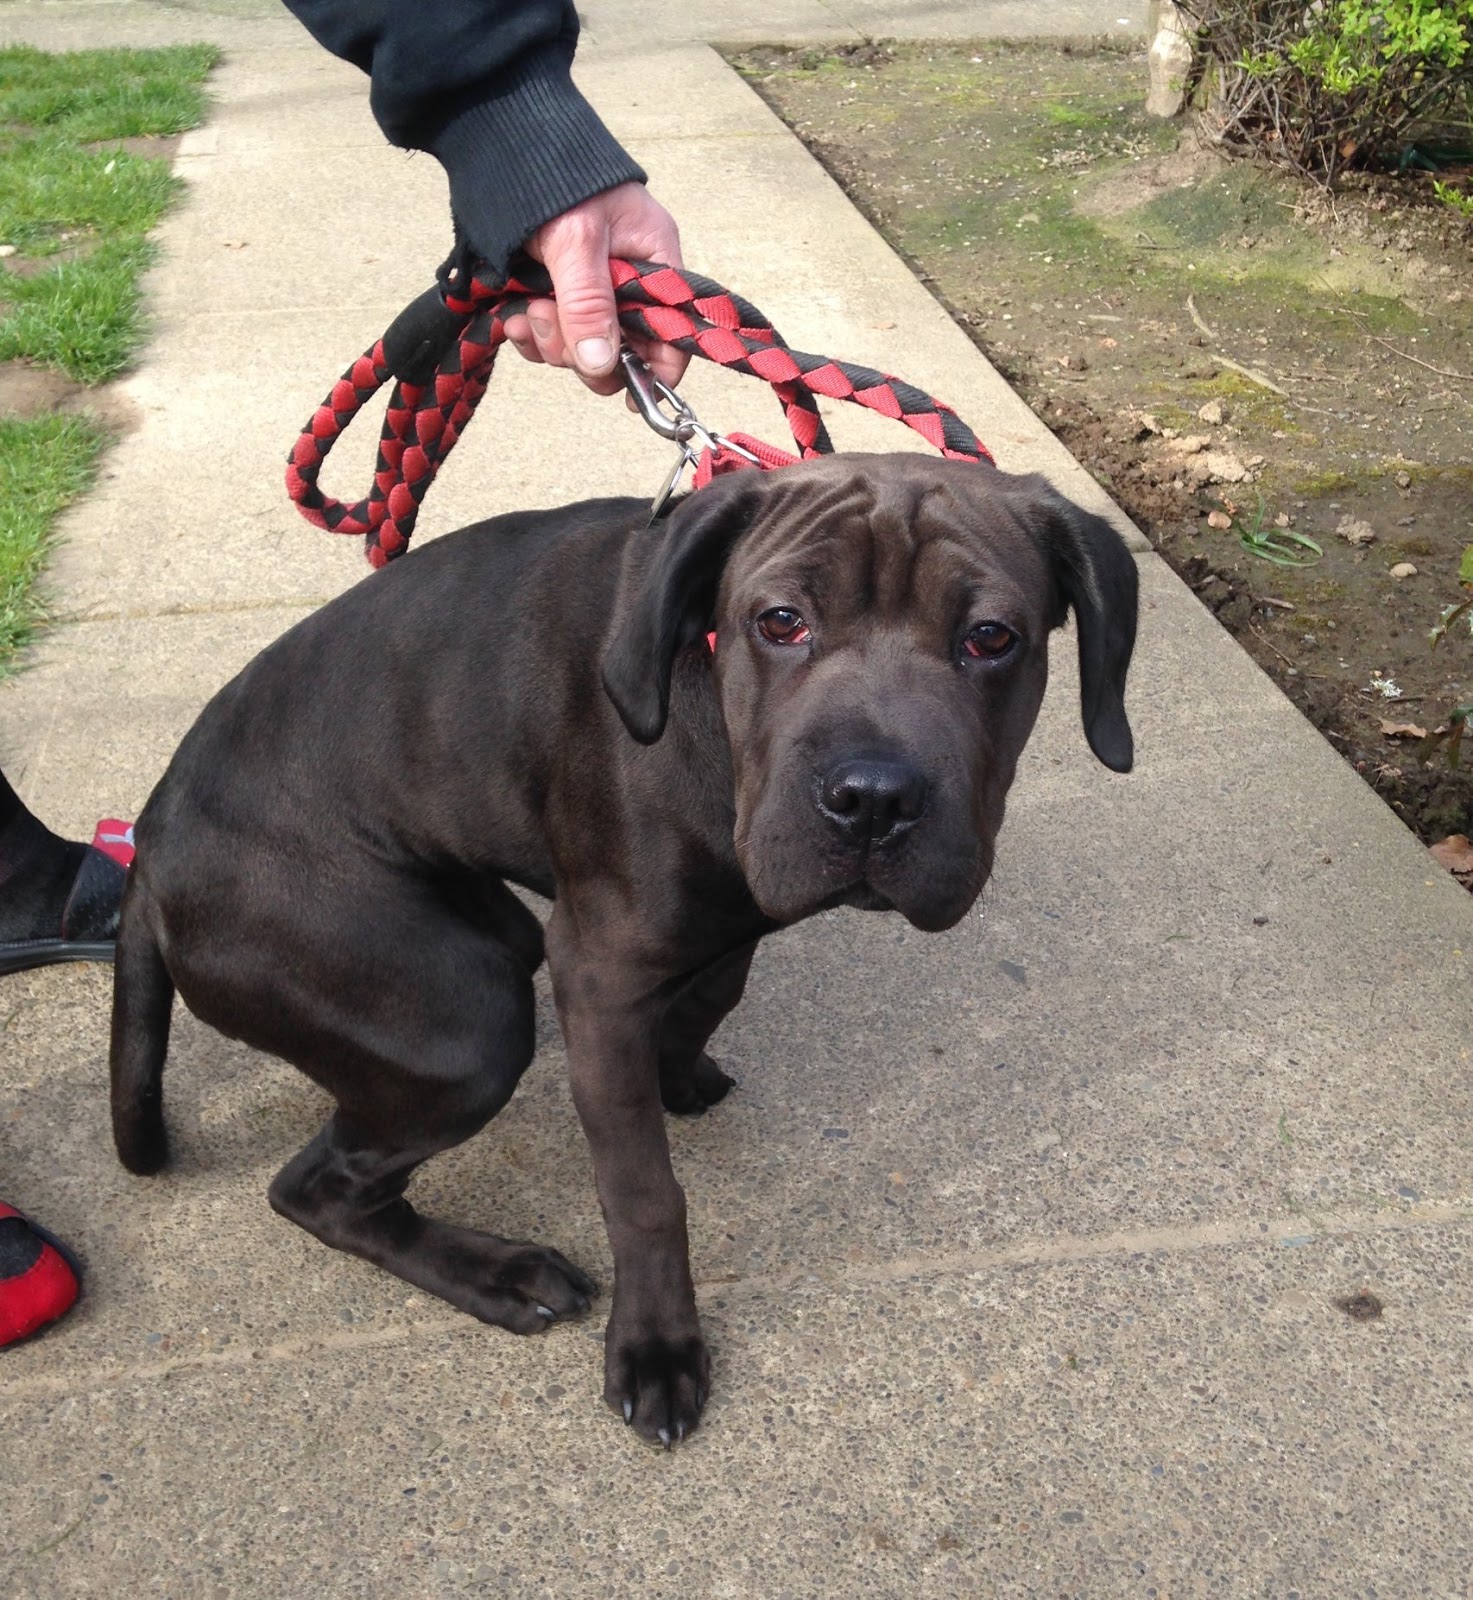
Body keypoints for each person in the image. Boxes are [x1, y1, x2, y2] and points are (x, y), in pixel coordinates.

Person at [1, 0, 686, 1346]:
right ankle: (347, 1196)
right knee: (470, 1024)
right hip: (275, 867)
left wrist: (521, 138)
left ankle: (12, 879)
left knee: (498, 944)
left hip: (279, 837)